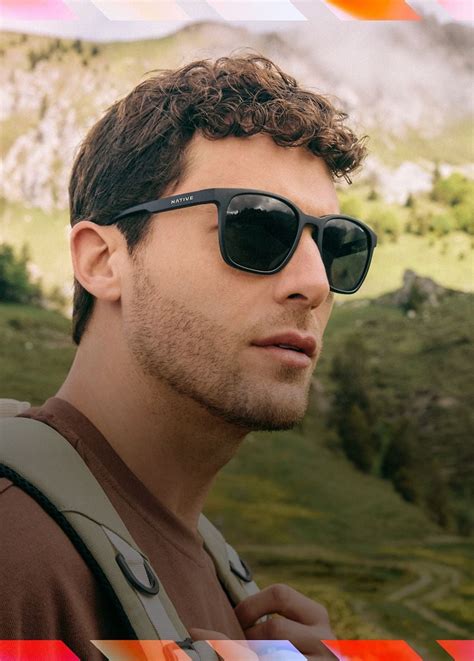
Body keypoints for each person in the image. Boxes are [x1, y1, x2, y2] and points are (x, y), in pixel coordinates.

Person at [0, 54, 375, 660]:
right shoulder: (14, 553)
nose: (314, 283)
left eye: (336, 245)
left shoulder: (223, 578)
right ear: (102, 260)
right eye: (257, 228)